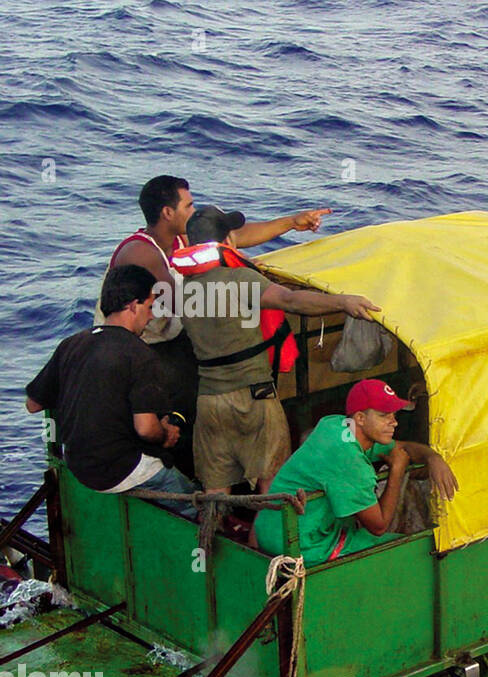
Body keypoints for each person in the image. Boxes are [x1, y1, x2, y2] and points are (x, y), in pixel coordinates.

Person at [94, 175, 335, 473]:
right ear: (167, 213)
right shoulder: (142, 252)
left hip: (176, 337)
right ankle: (184, 469)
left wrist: (292, 222)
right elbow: (190, 303)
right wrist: (241, 274)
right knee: (190, 401)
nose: (193, 211)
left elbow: (235, 236)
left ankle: (218, 472)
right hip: (140, 347)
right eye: (189, 204)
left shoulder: (182, 238)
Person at [172, 205, 381, 499]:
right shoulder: (239, 279)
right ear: (227, 241)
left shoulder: (185, 289)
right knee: (273, 484)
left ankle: (210, 541)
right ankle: (271, 543)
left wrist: (290, 222)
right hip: (253, 396)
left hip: (209, 400)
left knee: (216, 490)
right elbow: (291, 300)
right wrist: (343, 302)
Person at [25, 265, 196, 516]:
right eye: (149, 307)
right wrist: (166, 434)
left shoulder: (72, 344)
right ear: (132, 306)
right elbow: (147, 429)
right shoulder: (139, 354)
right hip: (120, 469)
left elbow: (33, 404)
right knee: (193, 502)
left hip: (79, 466)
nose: (150, 317)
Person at [252, 379, 459, 567]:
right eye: (383, 415)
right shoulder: (348, 459)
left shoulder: (336, 426)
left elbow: (403, 448)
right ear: (360, 417)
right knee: (405, 549)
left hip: (269, 531)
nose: (394, 422)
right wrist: (397, 470)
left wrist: (433, 458)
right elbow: (379, 526)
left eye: (394, 415)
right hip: (299, 545)